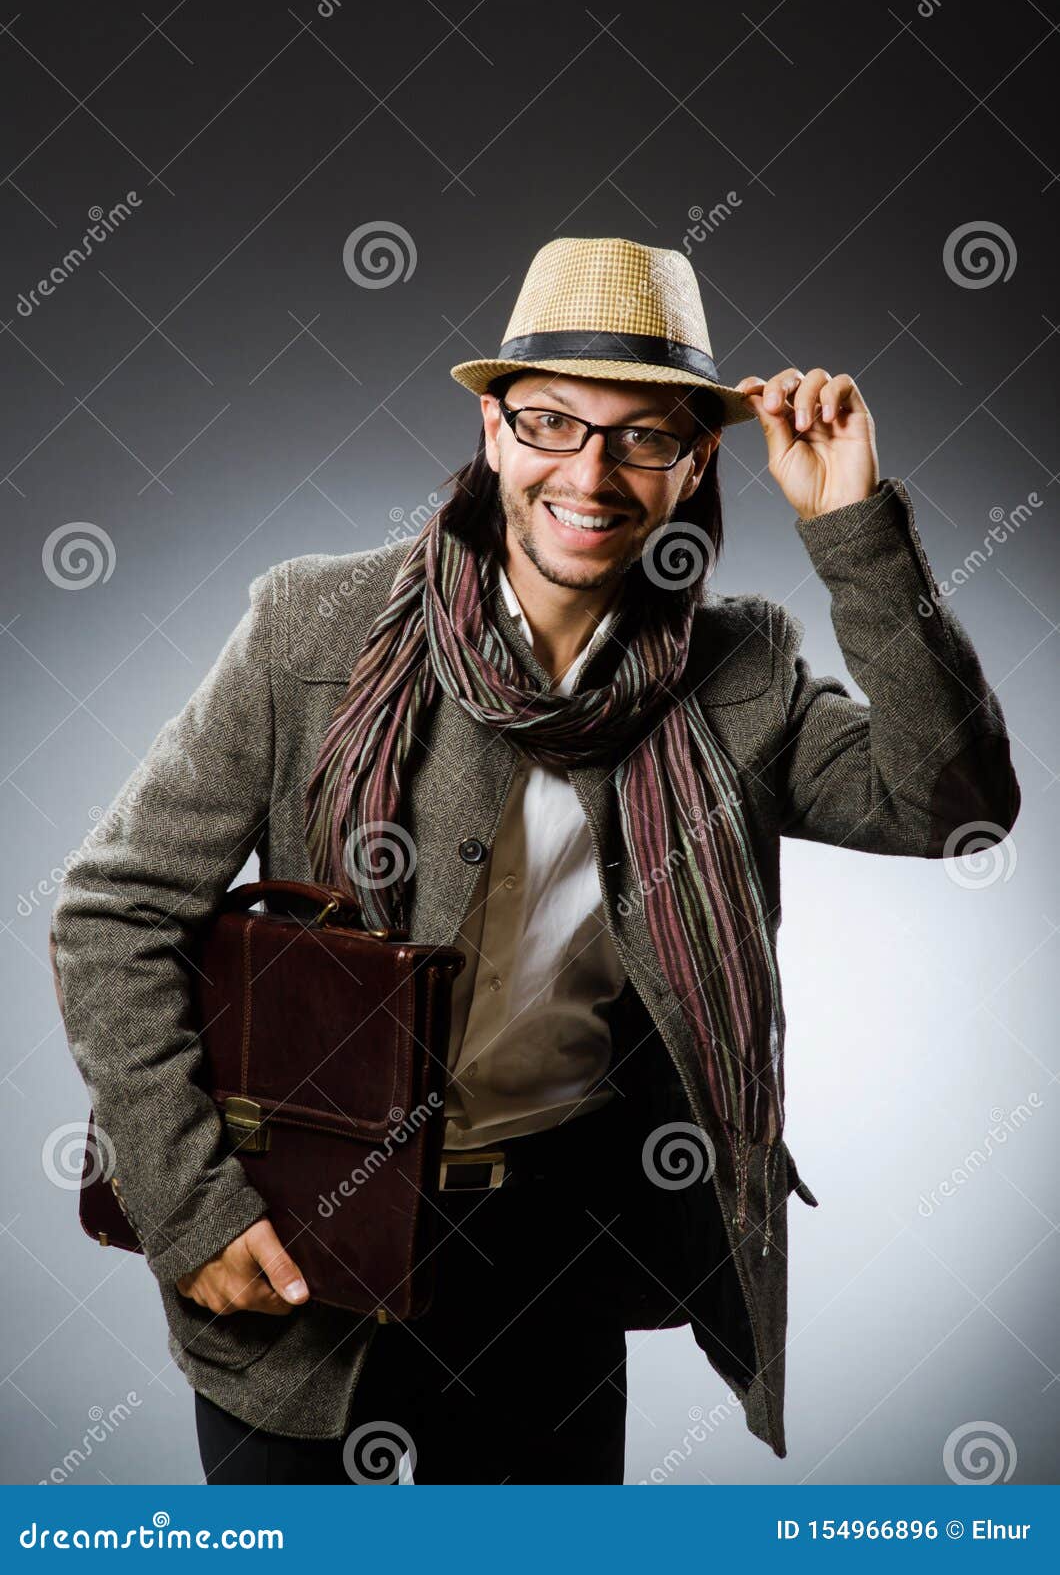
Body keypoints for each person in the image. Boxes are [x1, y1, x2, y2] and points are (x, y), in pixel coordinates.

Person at [49, 236, 1020, 1484]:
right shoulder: (315, 627)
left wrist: (853, 526)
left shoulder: (739, 675)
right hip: (306, 1230)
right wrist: (194, 1210)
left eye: (644, 436)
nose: (592, 471)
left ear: (695, 463)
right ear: (495, 435)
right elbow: (112, 910)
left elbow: (952, 802)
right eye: (553, 422)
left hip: (552, 1254)